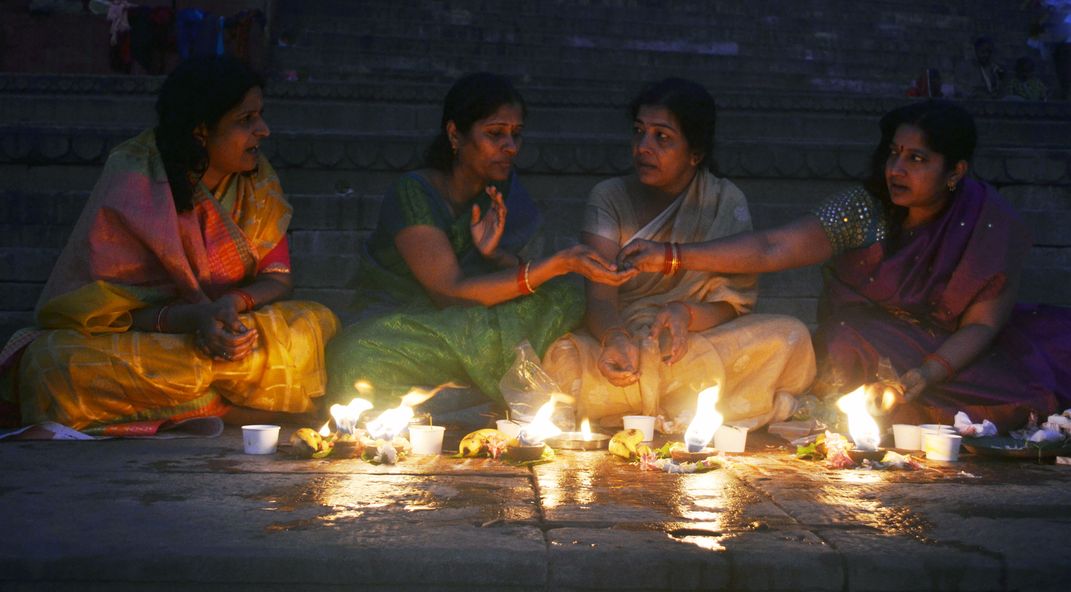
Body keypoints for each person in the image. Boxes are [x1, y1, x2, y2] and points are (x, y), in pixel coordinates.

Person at [619, 100, 1071, 432]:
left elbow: (981, 326)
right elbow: (775, 247)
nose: (896, 169)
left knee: (1019, 394)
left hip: (955, 354)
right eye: (894, 153)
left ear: (955, 171)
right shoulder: (865, 207)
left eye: (917, 159)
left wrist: (924, 374)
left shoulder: (989, 223)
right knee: (842, 339)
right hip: (870, 346)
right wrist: (672, 255)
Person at [0, 56, 339, 433]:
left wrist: (229, 305)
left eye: (260, 116)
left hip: (230, 329)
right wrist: (196, 318)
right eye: (246, 120)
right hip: (150, 338)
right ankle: (227, 407)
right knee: (51, 362)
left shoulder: (256, 181)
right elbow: (106, 312)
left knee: (312, 322)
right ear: (201, 131)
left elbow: (277, 277)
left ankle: (200, 403)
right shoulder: (135, 178)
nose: (264, 131)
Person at [325, 73, 635, 410]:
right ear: (454, 134)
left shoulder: (500, 189)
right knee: (355, 357)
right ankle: (486, 390)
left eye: (516, 134)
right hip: (406, 324)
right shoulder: (412, 192)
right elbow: (450, 293)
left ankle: (473, 389)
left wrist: (496, 255)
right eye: (495, 134)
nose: (510, 147)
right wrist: (558, 264)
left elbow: (519, 282)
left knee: (566, 295)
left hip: (472, 321)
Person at [541, 78, 816, 433]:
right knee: (563, 361)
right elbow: (600, 298)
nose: (643, 147)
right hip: (625, 338)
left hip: (695, 341)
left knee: (791, 335)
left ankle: (639, 401)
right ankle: (693, 401)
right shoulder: (608, 197)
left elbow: (731, 305)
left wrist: (685, 314)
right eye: (638, 132)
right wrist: (616, 339)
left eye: (662, 137)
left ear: (695, 153)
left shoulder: (723, 201)